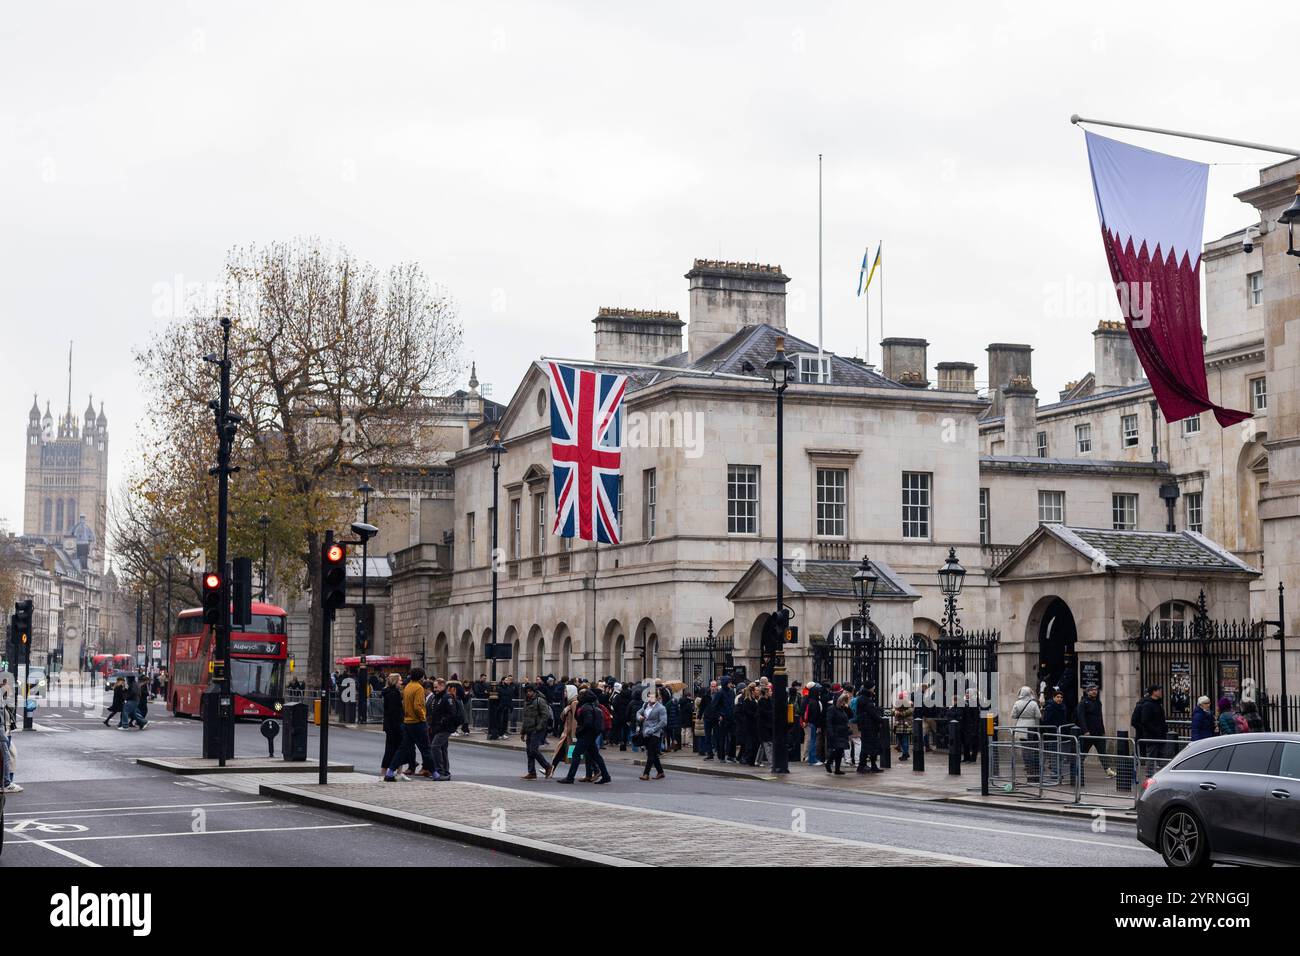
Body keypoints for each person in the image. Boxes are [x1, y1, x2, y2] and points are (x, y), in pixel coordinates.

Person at [385, 668, 438, 782]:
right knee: (426, 749)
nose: (424, 679)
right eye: (423, 677)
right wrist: (423, 718)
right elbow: (418, 706)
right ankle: (435, 773)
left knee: (402, 749)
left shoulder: (407, 687)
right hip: (417, 723)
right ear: (420, 677)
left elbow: (404, 704)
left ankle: (390, 772)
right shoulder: (419, 688)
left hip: (407, 722)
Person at [558, 690, 611, 784]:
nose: (579, 696)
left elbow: (587, 723)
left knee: (576, 754)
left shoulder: (586, 708)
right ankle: (605, 775)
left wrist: (579, 731)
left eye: (581, 695)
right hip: (590, 735)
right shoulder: (590, 706)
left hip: (586, 735)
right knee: (596, 755)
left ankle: (570, 777)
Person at [1075, 684, 1115, 777]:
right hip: (1088, 733)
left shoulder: (1098, 702)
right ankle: (1077, 770)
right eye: (1092, 690)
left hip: (1098, 733)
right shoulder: (1083, 703)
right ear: (1087, 692)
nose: (1094, 691)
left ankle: (1108, 770)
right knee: (1083, 753)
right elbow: (1081, 718)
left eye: (1095, 690)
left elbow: (1100, 718)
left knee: (1103, 753)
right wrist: (1085, 731)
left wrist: (1102, 730)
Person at [426, 678, 459, 780]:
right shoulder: (437, 697)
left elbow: (451, 714)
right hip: (437, 728)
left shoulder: (447, 697)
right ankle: (445, 772)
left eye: (436, 687)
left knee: (435, 747)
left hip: (445, 728)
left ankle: (440, 771)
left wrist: (441, 722)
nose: (434, 689)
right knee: (443, 749)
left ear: (442, 685)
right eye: (434, 687)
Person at [519, 683, 553, 779]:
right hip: (529, 729)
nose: (528, 693)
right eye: (527, 692)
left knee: (533, 750)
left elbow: (545, 715)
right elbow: (525, 718)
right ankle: (532, 772)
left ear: (534, 691)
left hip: (537, 729)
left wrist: (539, 727)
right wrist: (523, 732)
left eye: (530, 691)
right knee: (529, 751)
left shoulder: (540, 700)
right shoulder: (527, 702)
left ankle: (547, 766)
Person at [636, 687, 668, 780]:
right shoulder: (645, 705)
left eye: (653, 697)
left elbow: (663, 722)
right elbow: (638, 713)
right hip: (646, 733)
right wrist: (640, 717)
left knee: (650, 753)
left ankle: (646, 774)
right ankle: (660, 772)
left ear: (657, 698)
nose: (651, 699)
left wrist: (653, 729)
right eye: (649, 697)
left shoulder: (661, 708)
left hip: (655, 734)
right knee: (653, 754)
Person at [380, 673, 405, 779]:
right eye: (400, 680)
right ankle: (386, 773)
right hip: (395, 725)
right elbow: (395, 712)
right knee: (394, 749)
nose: (401, 682)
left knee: (394, 749)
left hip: (390, 725)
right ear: (395, 681)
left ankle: (396, 772)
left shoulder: (389, 692)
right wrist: (400, 726)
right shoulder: (394, 694)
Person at [854, 687, 883, 773]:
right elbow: (873, 714)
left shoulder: (861, 701)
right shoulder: (868, 703)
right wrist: (881, 720)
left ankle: (865, 765)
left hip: (865, 727)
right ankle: (864, 765)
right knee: (870, 747)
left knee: (866, 747)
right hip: (871, 728)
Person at [824, 692, 852, 775]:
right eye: (842, 700)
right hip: (835, 732)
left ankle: (836, 769)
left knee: (840, 750)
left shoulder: (843, 709)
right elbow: (829, 722)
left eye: (844, 701)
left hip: (843, 732)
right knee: (837, 749)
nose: (843, 702)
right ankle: (829, 763)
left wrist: (848, 707)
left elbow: (851, 715)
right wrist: (830, 732)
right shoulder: (832, 709)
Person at [803, 683, 824, 766]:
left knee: (812, 741)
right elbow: (816, 715)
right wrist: (818, 725)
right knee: (813, 742)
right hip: (813, 724)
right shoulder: (815, 702)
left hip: (810, 723)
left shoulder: (810, 701)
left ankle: (812, 759)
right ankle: (813, 760)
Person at [892, 691, 913, 759]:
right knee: (900, 739)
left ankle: (905, 753)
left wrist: (901, 713)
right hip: (898, 724)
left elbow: (911, 710)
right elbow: (892, 710)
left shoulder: (909, 703)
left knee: (904, 740)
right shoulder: (897, 703)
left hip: (905, 724)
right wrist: (895, 712)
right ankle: (905, 753)